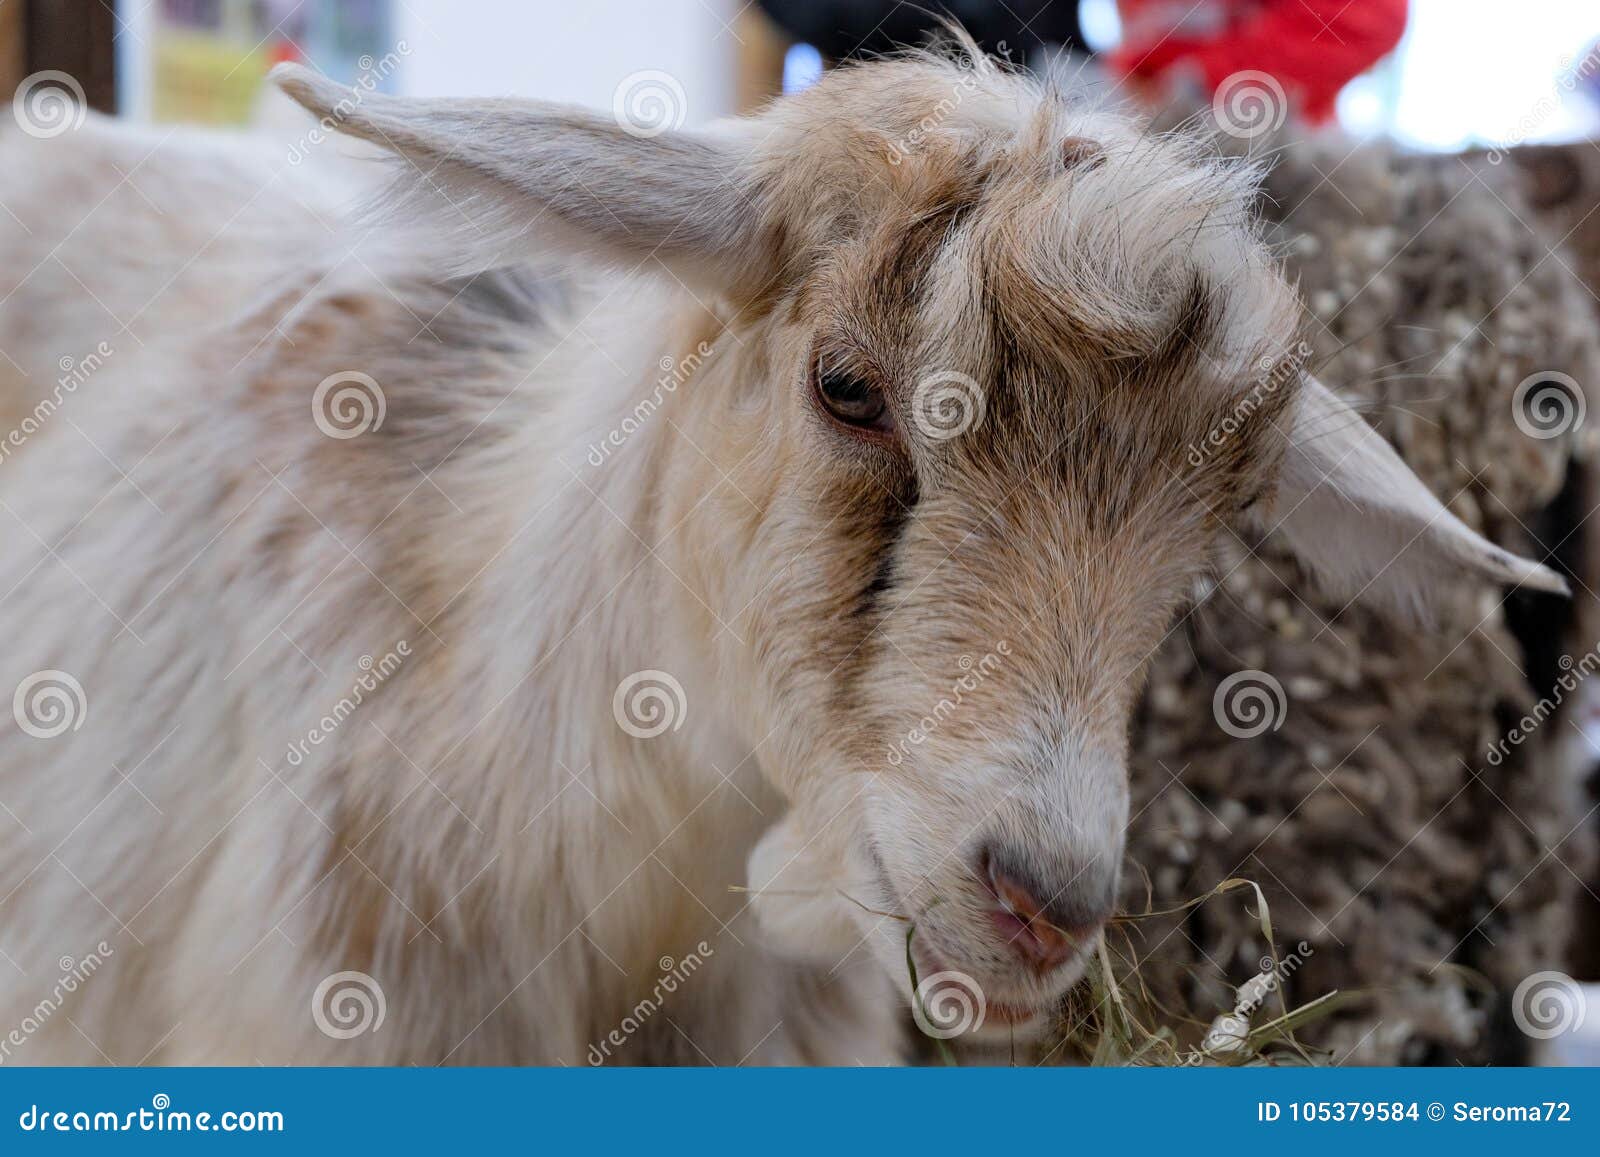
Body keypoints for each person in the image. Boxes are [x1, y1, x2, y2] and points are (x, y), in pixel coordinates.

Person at [1109, 0, 1409, 124]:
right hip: (1144, 123)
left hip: (1284, 168)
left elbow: (1375, 19)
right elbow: (1136, 61)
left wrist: (1199, 77)